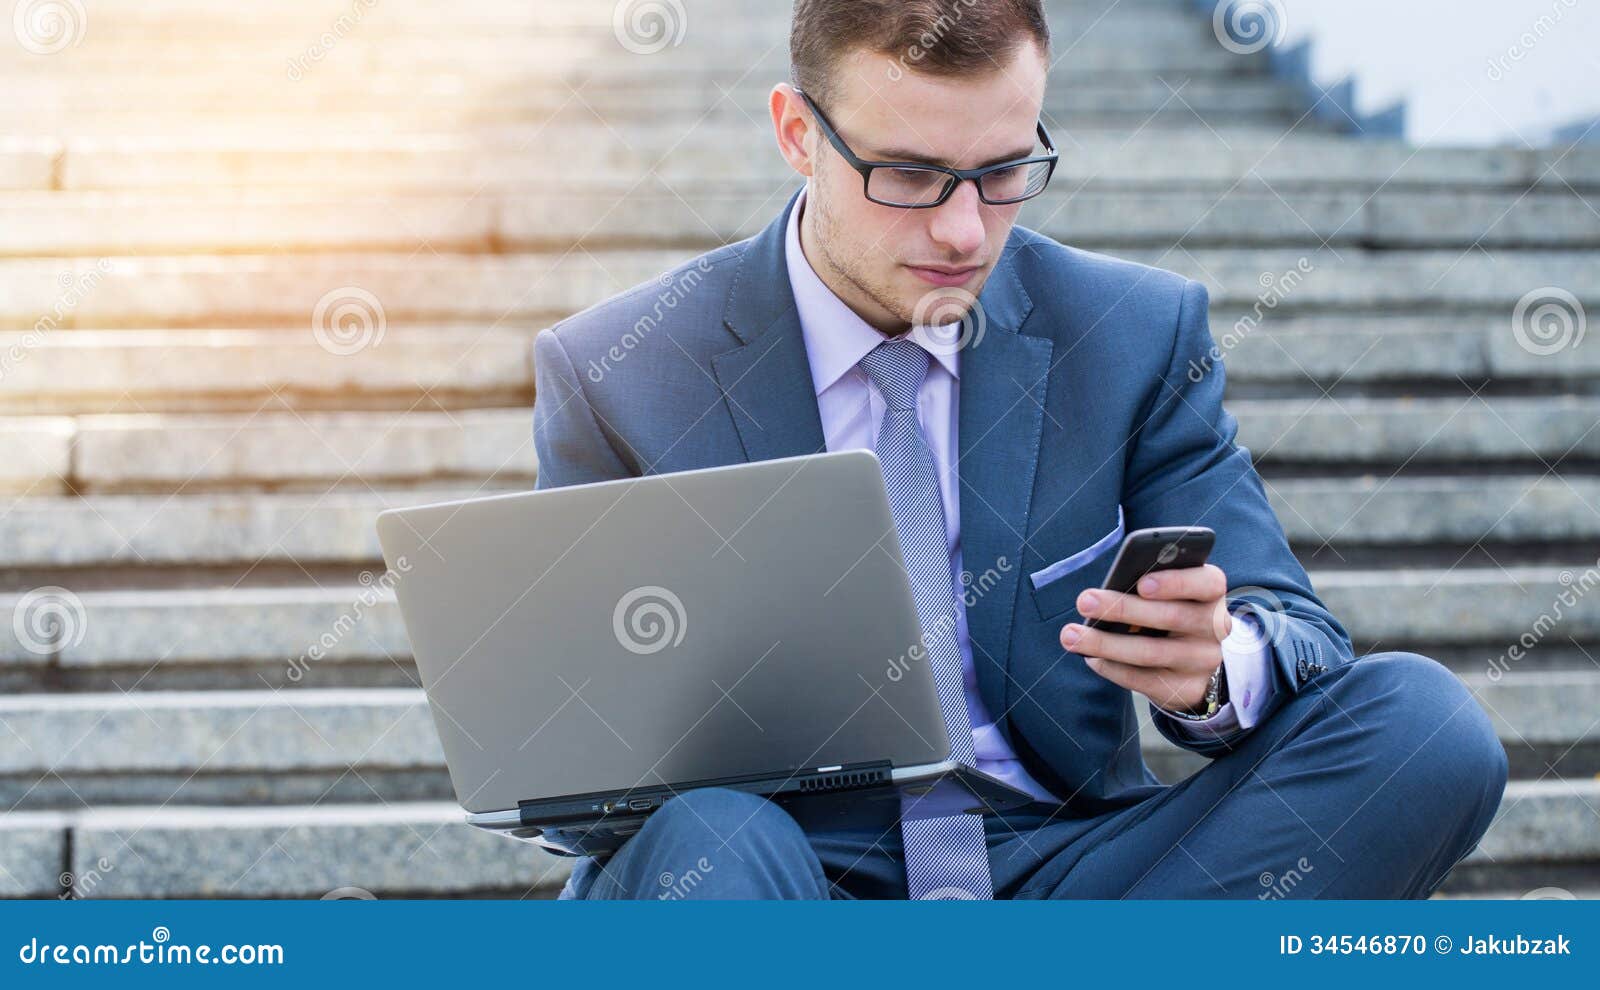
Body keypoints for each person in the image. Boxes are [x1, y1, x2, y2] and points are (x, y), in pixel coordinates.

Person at [530, 0, 1506, 899]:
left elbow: (1296, 633)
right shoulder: (621, 373)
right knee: (711, 842)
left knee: (1427, 732)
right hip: (781, 878)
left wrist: (1215, 666)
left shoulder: (1130, 334)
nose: (963, 231)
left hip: (1071, 869)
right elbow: (569, 771)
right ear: (797, 133)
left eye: (1002, 173)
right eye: (907, 175)